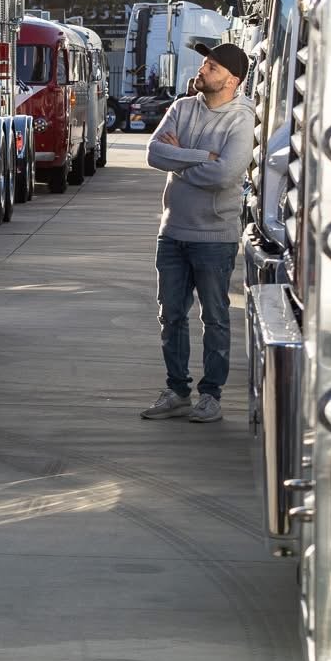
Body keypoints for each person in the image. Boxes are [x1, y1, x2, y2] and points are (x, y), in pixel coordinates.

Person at [140, 43, 255, 423]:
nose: (203, 69)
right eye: (205, 63)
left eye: (212, 66)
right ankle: (176, 391)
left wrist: (181, 157)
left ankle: (211, 396)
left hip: (215, 236)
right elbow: (154, 153)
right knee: (170, 315)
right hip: (172, 231)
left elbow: (226, 175)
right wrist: (201, 156)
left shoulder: (241, 120)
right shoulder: (182, 107)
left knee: (215, 317)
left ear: (231, 80)